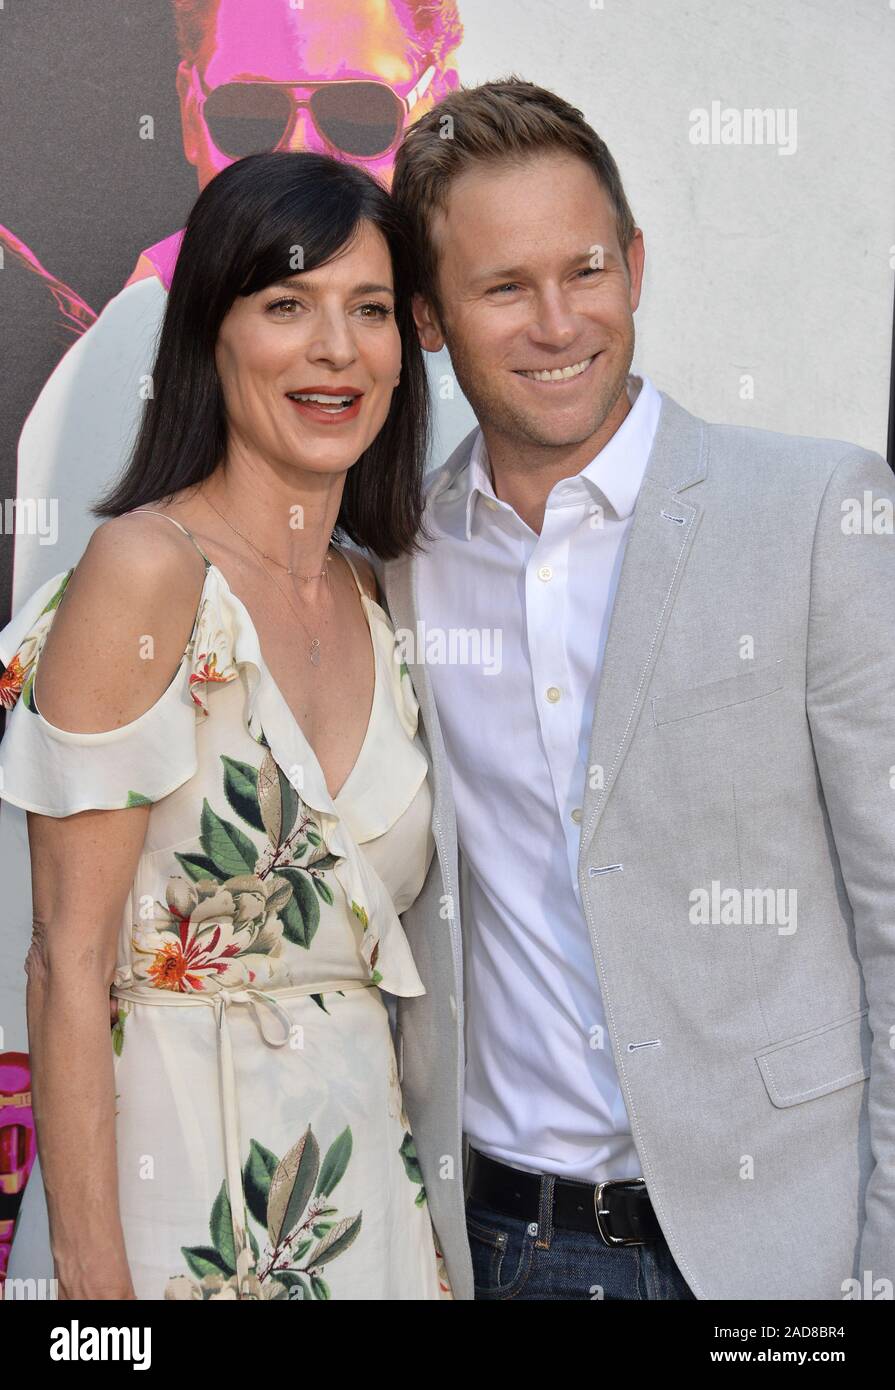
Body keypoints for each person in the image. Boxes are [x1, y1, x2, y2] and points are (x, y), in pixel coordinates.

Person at [377, 78, 895, 1300]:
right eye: (505, 287)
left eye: (587, 269)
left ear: (638, 263)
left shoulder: (817, 512)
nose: (560, 322)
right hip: (503, 1243)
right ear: (430, 320)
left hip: (788, 1243)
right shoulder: (396, 563)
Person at [0, 150, 453, 1301]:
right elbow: (67, 961)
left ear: (406, 351)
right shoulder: (145, 572)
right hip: (168, 1217)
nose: (334, 349)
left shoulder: (380, 597)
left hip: (366, 1216)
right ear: (213, 331)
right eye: (285, 305)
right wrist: (98, 1297)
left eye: (366, 310)